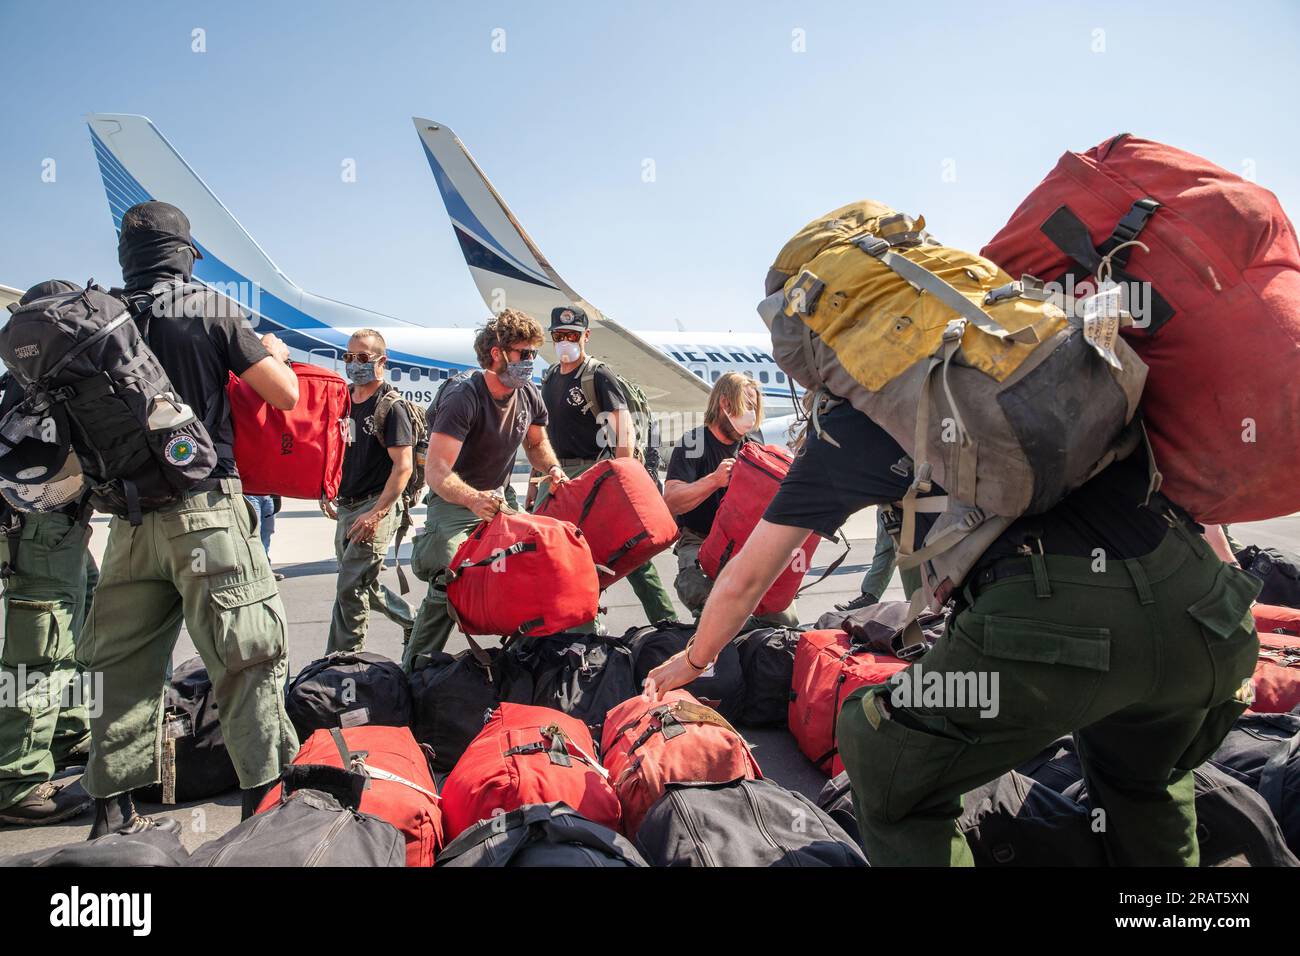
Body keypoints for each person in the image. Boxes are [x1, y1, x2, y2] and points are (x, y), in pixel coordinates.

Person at [647, 391, 1259, 867]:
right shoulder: (1044, 374)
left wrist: (695, 661)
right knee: (1144, 781)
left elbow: (748, 575)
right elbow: (1184, 495)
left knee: (881, 751)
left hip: (1055, 618)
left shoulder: (859, 423)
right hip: (1207, 614)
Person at [80, 200, 302, 836]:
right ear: (184, 254)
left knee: (119, 668)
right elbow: (282, 394)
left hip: (126, 526)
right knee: (245, 656)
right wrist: (275, 352)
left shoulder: (104, 316)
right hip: (204, 514)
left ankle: (111, 820)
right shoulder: (205, 305)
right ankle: (264, 817)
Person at [404, 309, 568, 671]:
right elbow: (437, 471)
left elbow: (537, 444)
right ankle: (412, 669)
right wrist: (473, 499)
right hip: (456, 498)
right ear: (497, 353)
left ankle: (525, 661)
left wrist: (553, 468)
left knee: (535, 562)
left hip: (498, 497)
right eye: (523, 354)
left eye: (533, 354)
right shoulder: (464, 396)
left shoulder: (528, 394)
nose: (530, 362)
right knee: (452, 573)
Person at [0, 283, 101, 826]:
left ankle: (67, 732)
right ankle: (16, 782)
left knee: (77, 628)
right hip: (42, 531)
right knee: (40, 652)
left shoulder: (24, 384)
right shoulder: (47, 386)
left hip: (57, 530)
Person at [533, 305, 676, 624]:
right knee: (565, 556)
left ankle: (666, 624)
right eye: (559, 335)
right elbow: (544, 437)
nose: (564, 341)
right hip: (559, 477)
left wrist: (624, 484)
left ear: (586, 336)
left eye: (571, 335)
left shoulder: (598, 375)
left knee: (629, 556)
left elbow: (623, 429)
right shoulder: (551, 378)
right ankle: (578, 628)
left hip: (594, 477)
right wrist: (538, 484)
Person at [662, 371, 798, 628]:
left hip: (746, 543)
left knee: (783, 619)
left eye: (754, 406)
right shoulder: (695, 442)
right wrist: (713, 480)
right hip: (701, 541)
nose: (751, 413)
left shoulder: (753, 444)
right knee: (709, 600)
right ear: (725, 403)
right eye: (746, 405)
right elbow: (671, 500)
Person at [323, 330, 416, 654]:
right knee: (364, 583)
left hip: (376, 506)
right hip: (347, 507)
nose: (354, 364)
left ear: (381, 362)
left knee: (350, 588)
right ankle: (414, 623)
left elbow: (403, 466)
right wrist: (326, 487)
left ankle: (340, 664)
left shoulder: (391, 406)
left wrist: (376, 513)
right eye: (349, 357)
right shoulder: (343, 400)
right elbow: (336, 450)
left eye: (362, 357)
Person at [834, 508, 921, 612]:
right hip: (888, 502)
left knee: (907, 551)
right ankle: (870, 595)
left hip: (909, 501)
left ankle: (919, 606)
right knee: (885, 547)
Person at [245, 494, 282, 580]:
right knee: (254, 532)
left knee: (267, 532)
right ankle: (255, 569)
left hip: (270, 494)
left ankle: (266, 569)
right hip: (250, 493)